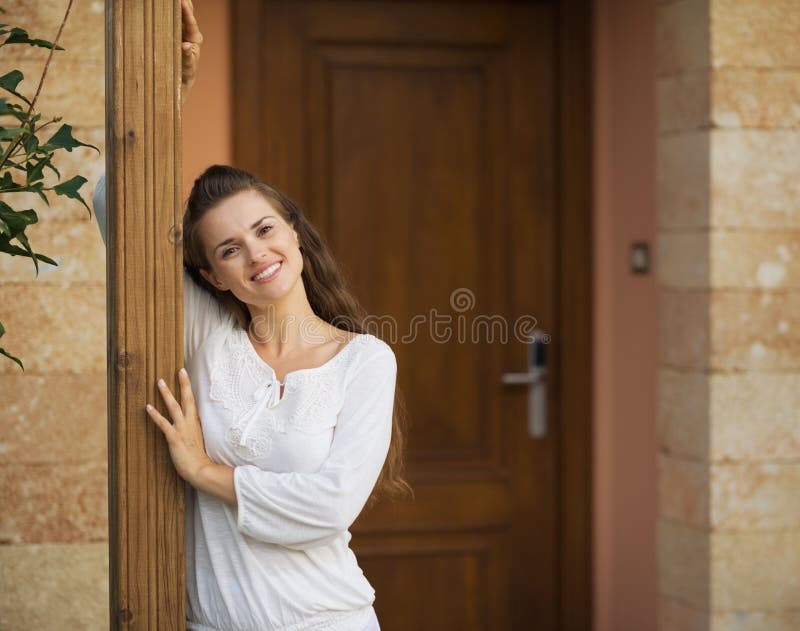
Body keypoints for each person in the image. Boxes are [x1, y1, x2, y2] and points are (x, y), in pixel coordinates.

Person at [93, 3, 408, 630]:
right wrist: (169, 94)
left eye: (265, 230)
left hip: (331, 620)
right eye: (229, 249)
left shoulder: (365, 361)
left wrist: (203, 472)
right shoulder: (208, 336)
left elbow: (332, 506)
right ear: (212, 276)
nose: (256, 254)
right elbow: (112, 201)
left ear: (292, 234)